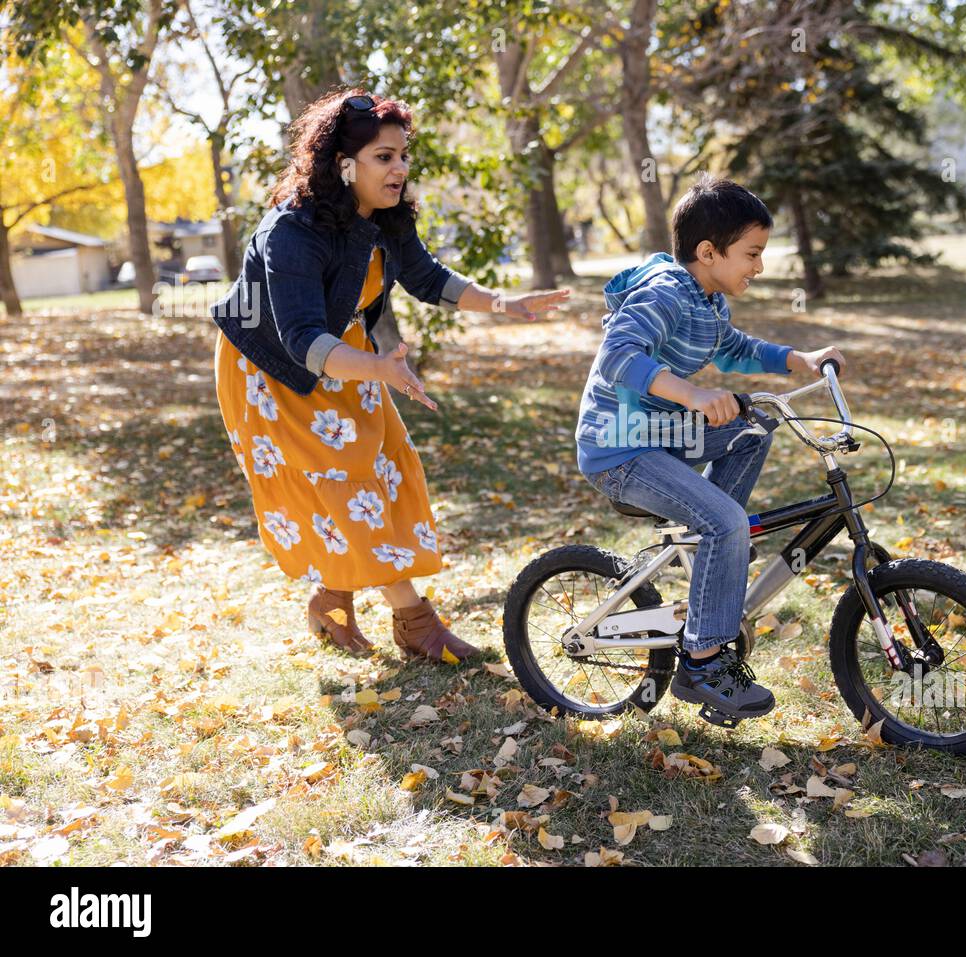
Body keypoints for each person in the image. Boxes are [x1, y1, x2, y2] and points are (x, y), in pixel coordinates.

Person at [210, 89, 568, 662]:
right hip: (272, 366)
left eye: (403, 155)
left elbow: (426, 278)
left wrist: (504, 304)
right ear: (343, 164)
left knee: (385, 464)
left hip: (343, 351)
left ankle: (331, 597)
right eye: (384, 157)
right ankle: (415, 623)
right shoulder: (290, 233)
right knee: (347, 481)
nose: (399, 167)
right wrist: (378, 366)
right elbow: (300, 338)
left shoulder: (386, 216)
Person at [574, 176, 844, 725]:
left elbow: (735, 348)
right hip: (618, 447)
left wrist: (799, 359)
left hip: (659, 434)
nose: (759, 266)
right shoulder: (665, 293)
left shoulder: (709, 299)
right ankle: (701, 663)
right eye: (752, 253)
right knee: (728, 521)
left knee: (754, 425)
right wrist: (693, 394)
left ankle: (712, 538)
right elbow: (617, 358)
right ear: (708, 252)